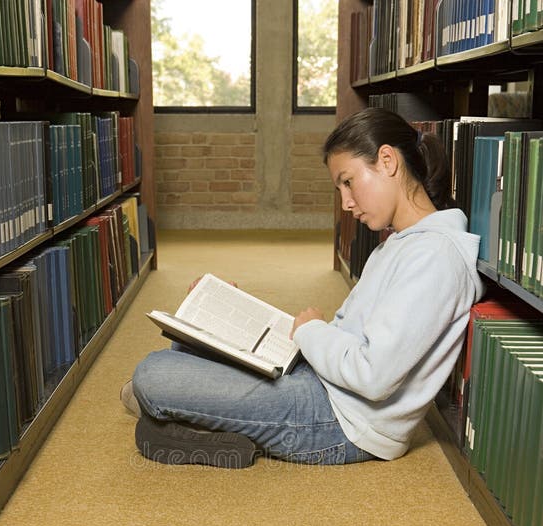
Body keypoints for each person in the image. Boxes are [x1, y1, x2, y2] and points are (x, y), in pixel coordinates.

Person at [125, 107, 484, 468]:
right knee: (190, 337)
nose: (346, 203)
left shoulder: (435, 257)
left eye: (348, 181)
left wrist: (311, 330)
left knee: (153, 374)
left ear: (387, 161)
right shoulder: (403, 243)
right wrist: (229, 309)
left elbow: (373, 376)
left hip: (340, 421)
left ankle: (181, 420)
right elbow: (355, 339)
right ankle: (188, 418)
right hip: (325, 384)